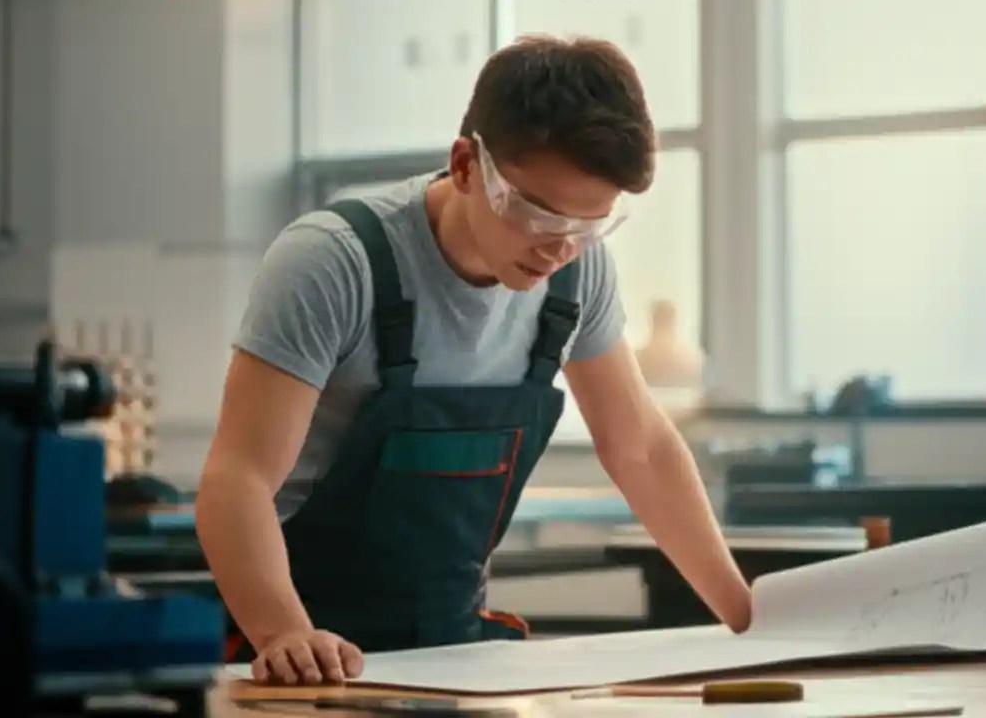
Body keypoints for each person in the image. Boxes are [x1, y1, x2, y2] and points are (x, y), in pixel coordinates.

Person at [194, 34, 752, 686]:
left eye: (588, 225)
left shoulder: (577, 274)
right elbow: (238, 480)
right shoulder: (334, 263)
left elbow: (643, 451)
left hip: (452, 656)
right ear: (465, 165)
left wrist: (747, 621)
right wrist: (285, 633)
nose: (558, 250)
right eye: (537, 215)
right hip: (302, 652)